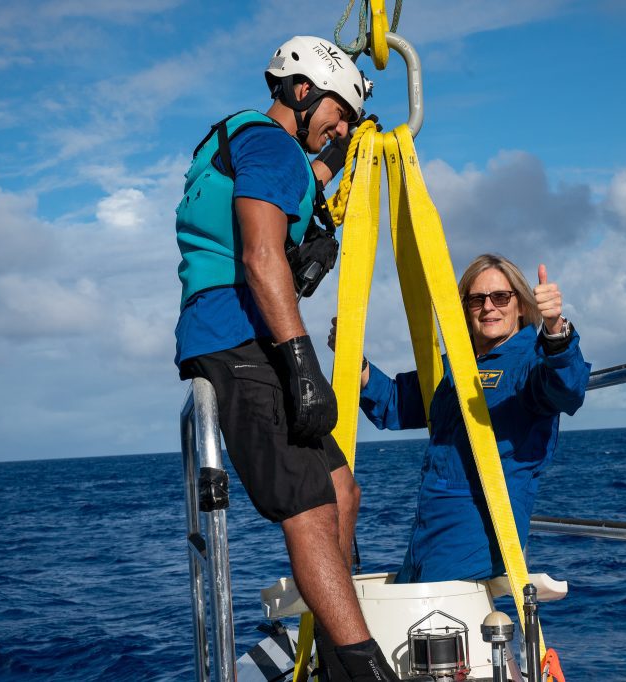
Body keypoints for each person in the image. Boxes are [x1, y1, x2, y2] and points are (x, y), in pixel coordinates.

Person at [174, 36, 422, 682]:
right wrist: (303, 363)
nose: (339, 131)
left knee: (342, 489)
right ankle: (360, 667)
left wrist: (328, 175)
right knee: (309, 504)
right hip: (239, 340)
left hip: (257, 337)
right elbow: (259, 256)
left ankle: (339, 650)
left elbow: (296, 190)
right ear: (302, 91)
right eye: (338, 114)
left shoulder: (268, 150)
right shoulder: (267, 143)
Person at [329, 254, 590, 583]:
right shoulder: (455, 365)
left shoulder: (532, 360)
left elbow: (568, 390)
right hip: (429, 528)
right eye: (477, 299)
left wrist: (556, 331)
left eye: (500, 297)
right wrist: (355, 360)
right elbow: (396, 403)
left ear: (522, 305)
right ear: (464, 309)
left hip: (478, 530)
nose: (489, 307)